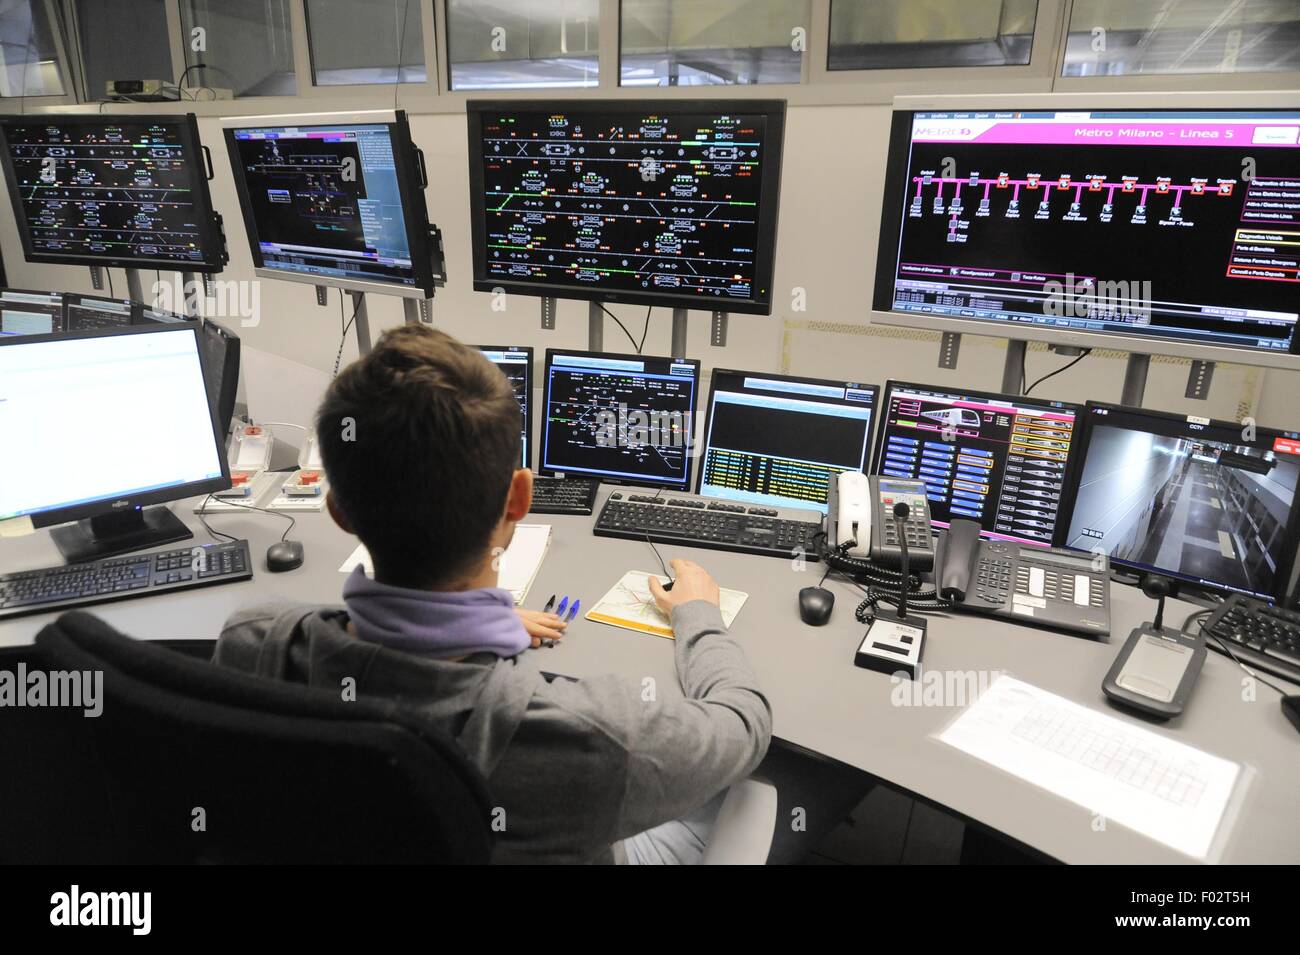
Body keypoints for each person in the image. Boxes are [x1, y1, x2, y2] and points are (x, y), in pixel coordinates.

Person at [213, 325, 772, 864]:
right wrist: (698, 613)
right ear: (518, 501)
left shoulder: (253, 646)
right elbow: (745, 724)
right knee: (751, 790)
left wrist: (473, 622)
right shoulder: (595, 731)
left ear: (338, 511)